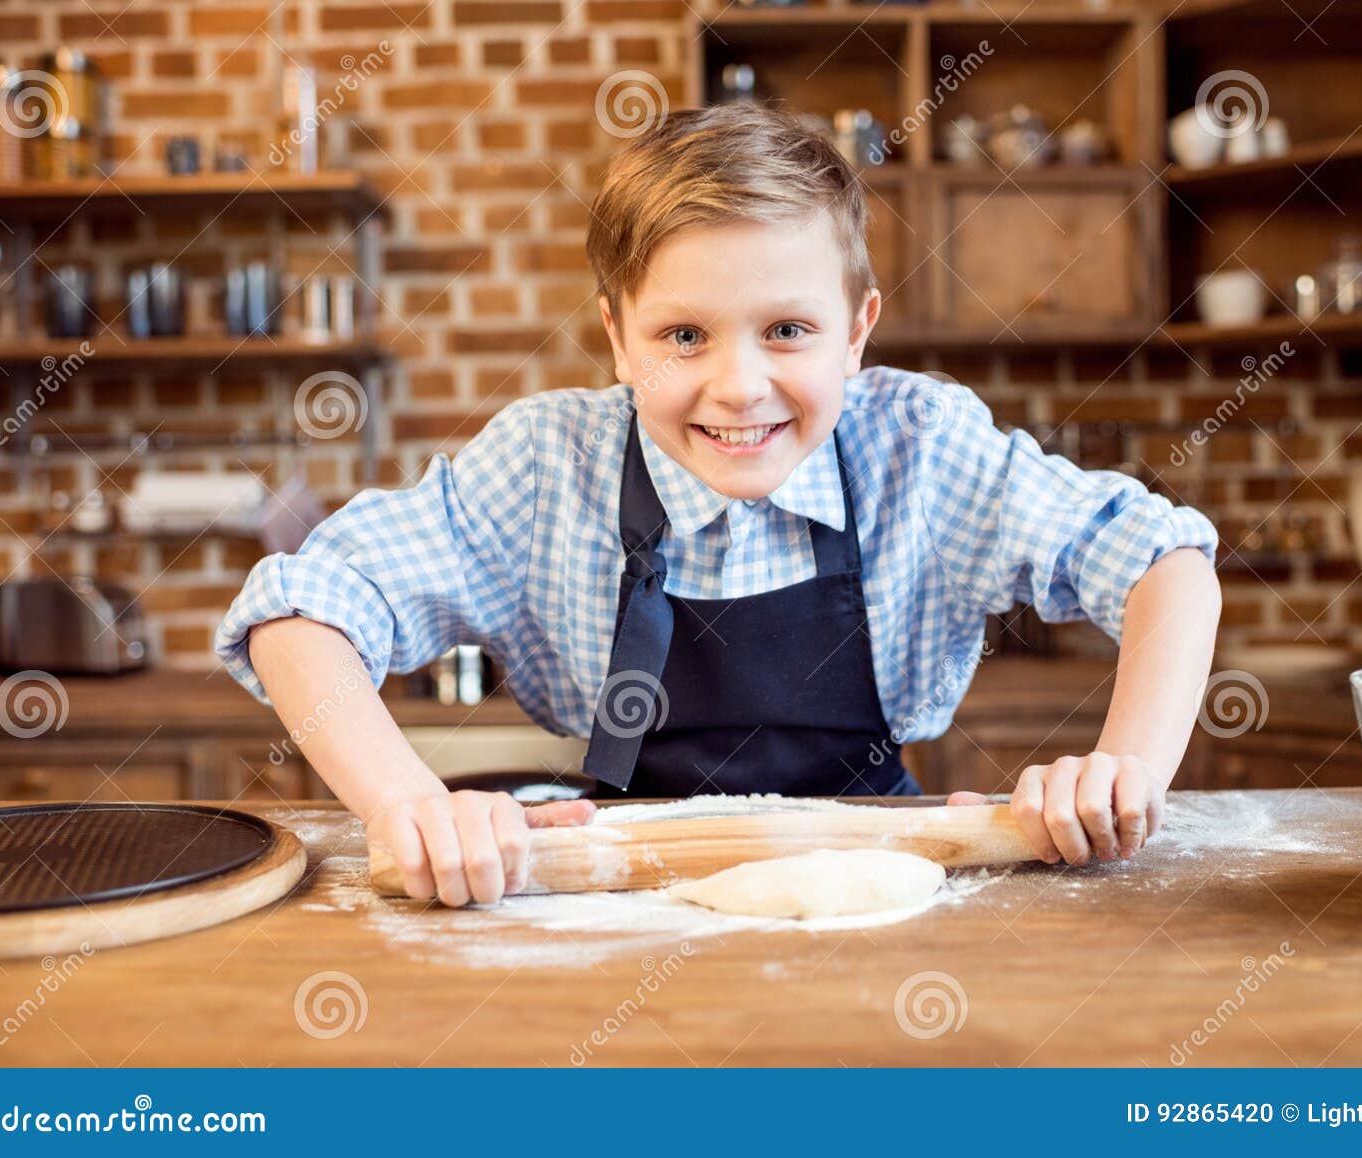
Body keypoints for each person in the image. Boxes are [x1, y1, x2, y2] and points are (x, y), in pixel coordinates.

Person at [216, 103, 1220, 907]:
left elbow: (1163, 562)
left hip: (884, 890)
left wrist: (1119, 770)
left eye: (786, 329)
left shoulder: (925, 448)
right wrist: (407, 805)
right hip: (613, 897)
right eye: (684, 336)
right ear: (617, 338)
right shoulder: (544, 465)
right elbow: (300, 608)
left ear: (856, 331)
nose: (739, 387)